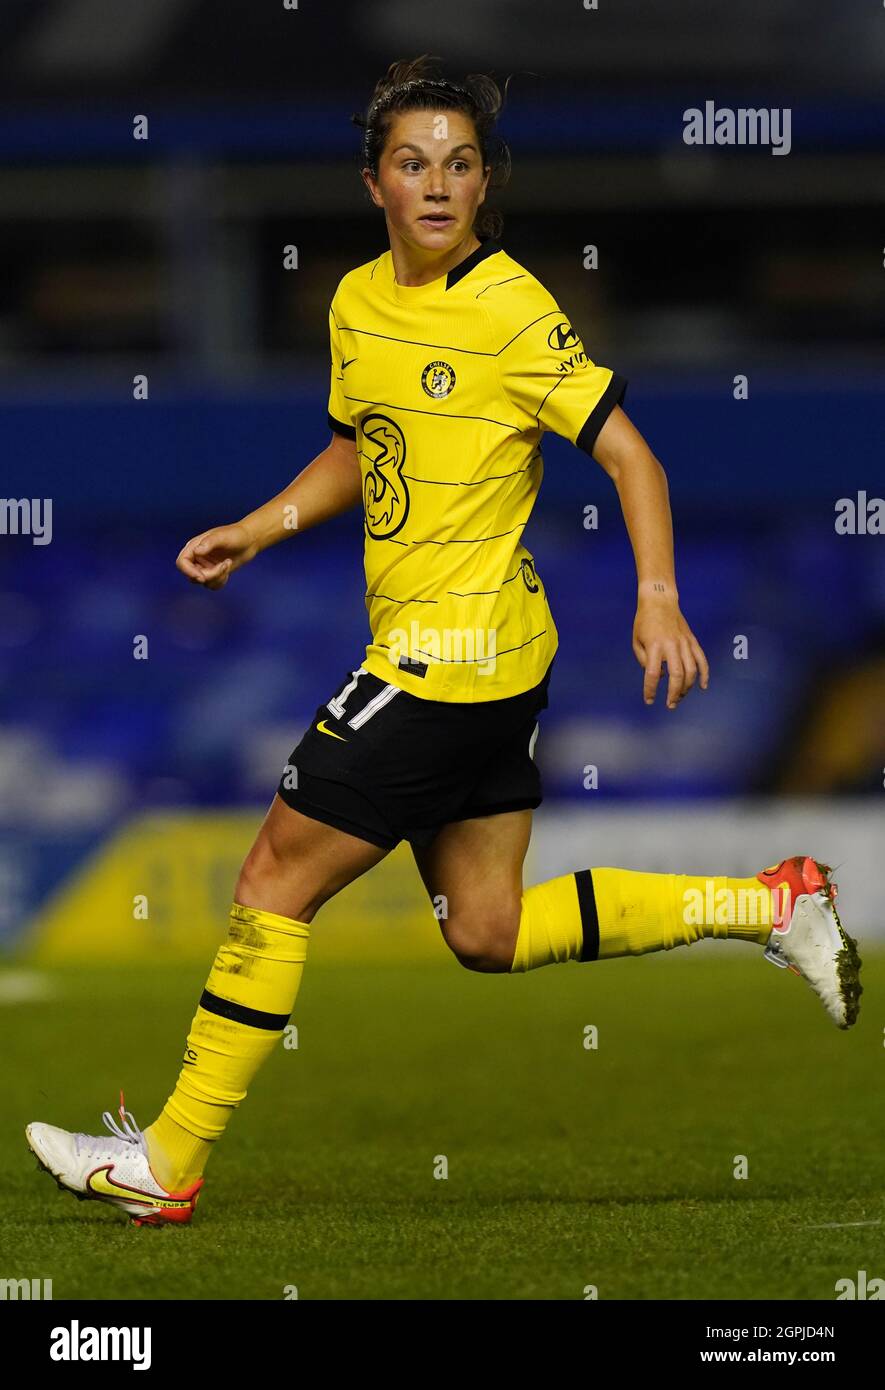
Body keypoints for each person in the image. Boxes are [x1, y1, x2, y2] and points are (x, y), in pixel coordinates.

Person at [26, 55, 861, 1227]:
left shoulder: (514, 309)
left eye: (459, 165)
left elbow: (632, 455)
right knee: (487, 927)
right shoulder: (358, 302)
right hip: (495, 659)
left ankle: (167, 1158)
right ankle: (772, 906)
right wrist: (257, 529)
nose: (436, 184)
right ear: (375, 182)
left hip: (449, 658)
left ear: (482, 186)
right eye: (412, 162)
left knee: (270, 877)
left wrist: (659, 593)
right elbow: (355, 447)